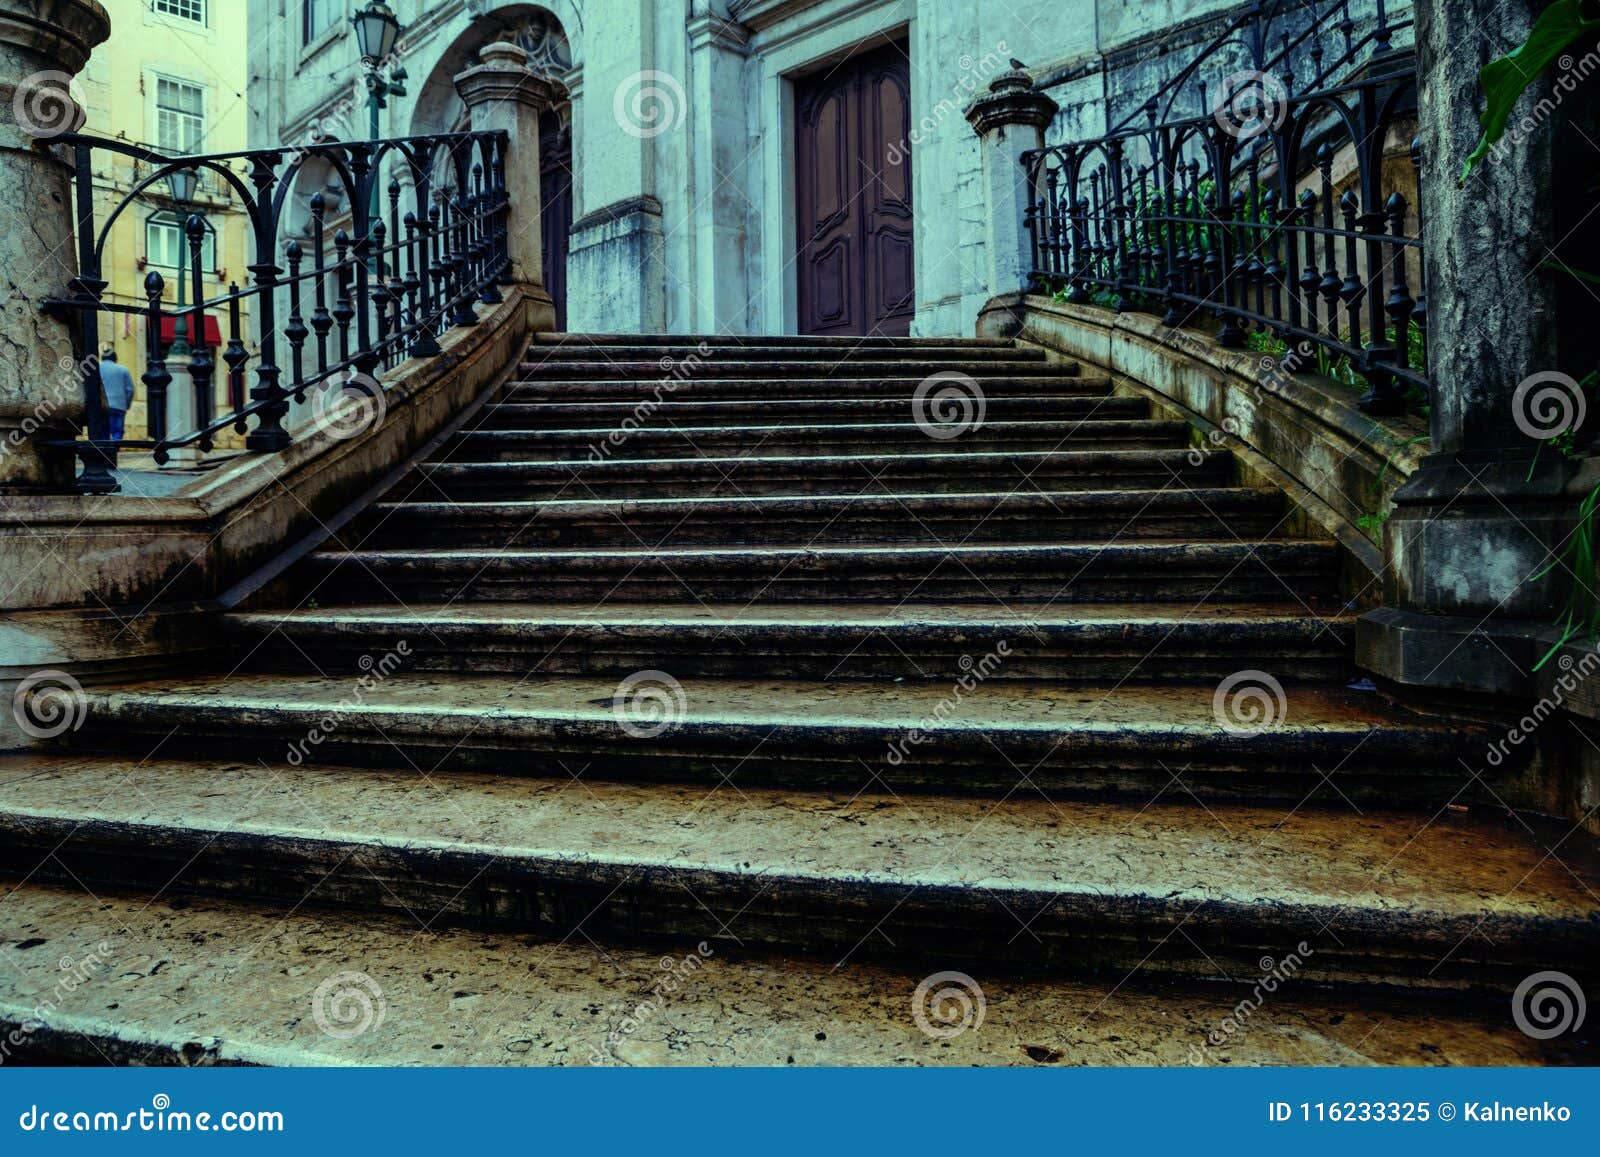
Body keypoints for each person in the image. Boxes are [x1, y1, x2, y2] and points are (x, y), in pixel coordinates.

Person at [99, 349, 136, 443]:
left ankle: (106, 452)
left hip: (102, 406)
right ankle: (114, 450)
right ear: (115, 358)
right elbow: (130, 389)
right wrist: (126, 404)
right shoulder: (123, 369)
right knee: (117, 431)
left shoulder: (97, 368)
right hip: (119, 406)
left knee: (103, 432)